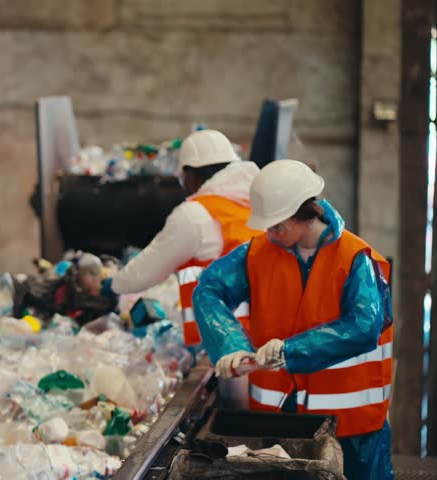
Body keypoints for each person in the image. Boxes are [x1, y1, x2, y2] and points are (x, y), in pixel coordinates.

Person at [192, 159, 394, 480]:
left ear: (306, 214)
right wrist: (229, 345)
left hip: (351, 426)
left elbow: (363, 326)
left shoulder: (356, 259)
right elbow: (209, 290)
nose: (271, 233)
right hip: (279, 421)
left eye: (278, 225)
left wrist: (290, 350)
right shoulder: (257, 253)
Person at [101, 129, 260, 347]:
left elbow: (148, 269)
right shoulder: (255, 203)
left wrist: (111, 285)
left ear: (191, 176)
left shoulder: (195, 215)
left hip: (223, 344)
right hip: (265, 337)